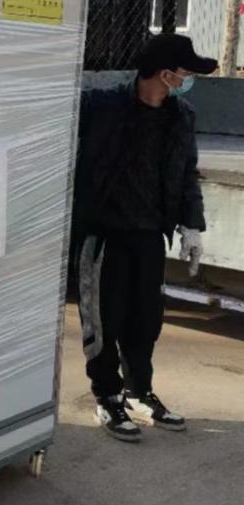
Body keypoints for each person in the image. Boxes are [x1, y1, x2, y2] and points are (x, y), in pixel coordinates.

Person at [73, 33, 217, 442]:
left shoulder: (181, 116)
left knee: (145, 320)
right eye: (185, 72)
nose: (188, 80)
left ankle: (139, 391)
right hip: (105, 236)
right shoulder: (103, 107)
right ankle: (107, 395)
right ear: (165, 73)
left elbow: (186, 174)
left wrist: (192, 225)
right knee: (104, 320)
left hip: (150, 236)